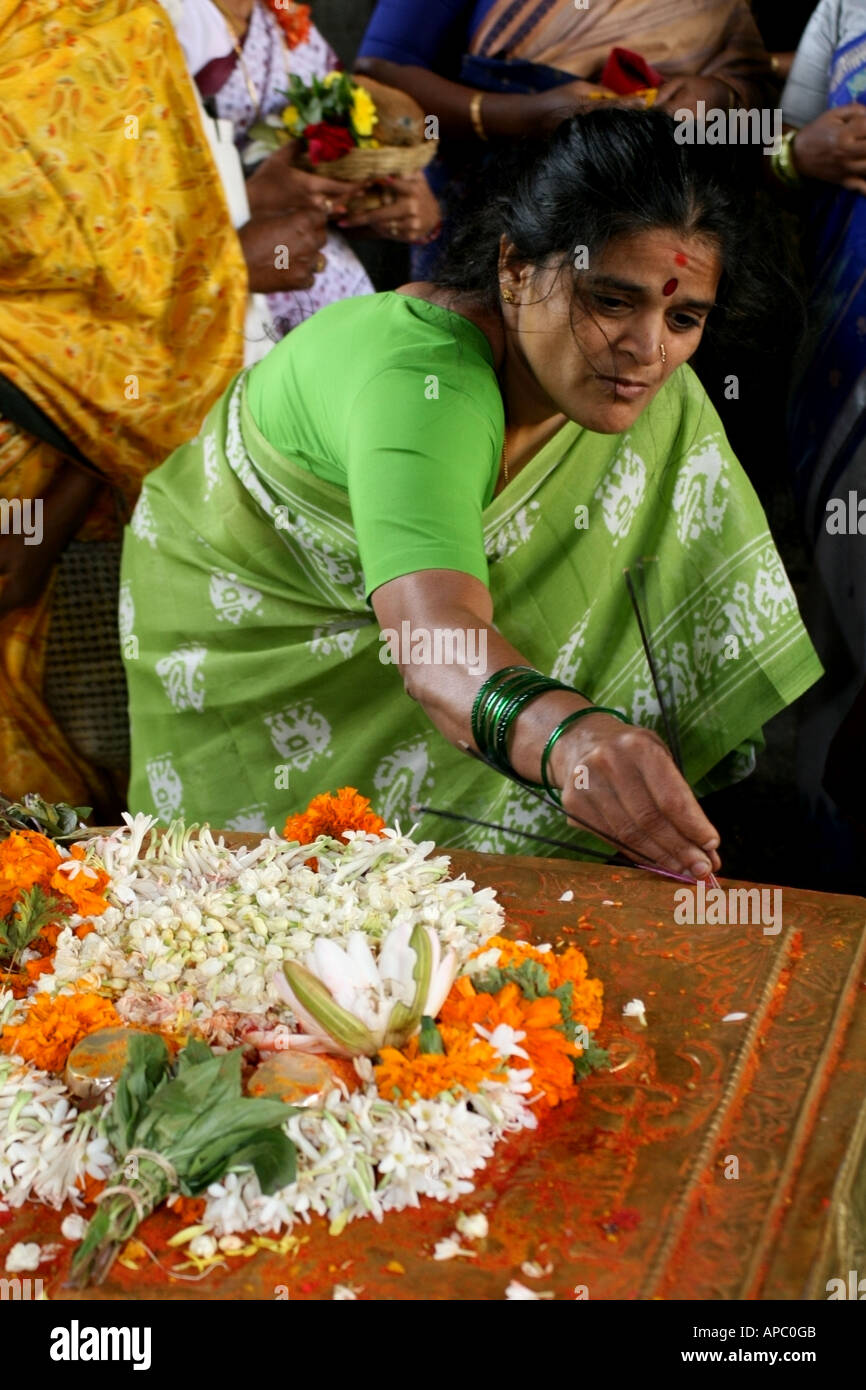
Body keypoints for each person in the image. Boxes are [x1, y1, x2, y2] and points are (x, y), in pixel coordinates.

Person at [121, 107, 822, 878]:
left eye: (683, 316)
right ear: (516, 267)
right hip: (257, 628)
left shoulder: (648, 389)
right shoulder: (424, 387)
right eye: (610, 302)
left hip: (436, 637)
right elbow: (432, 642)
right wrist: (569, 738)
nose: (648, 350)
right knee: (277, 924)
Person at [0, 0, 249, 816]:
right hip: (72, 444)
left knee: (70, 818)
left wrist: (67, 483)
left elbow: (150, 285)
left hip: (65, 460)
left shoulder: (115, 31)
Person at [175, 0, 441, 335]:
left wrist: (390, 208)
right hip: (226, 291)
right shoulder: (175, 20)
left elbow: (346, 139)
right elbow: (134, 216)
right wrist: (253, 199)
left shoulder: (282, 18)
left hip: (330, 283)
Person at [773, 0, 866, 888]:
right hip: (848, 358)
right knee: (845, 624)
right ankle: (834, 873)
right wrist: (800, 154)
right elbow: (774, 140)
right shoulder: (844, 8)